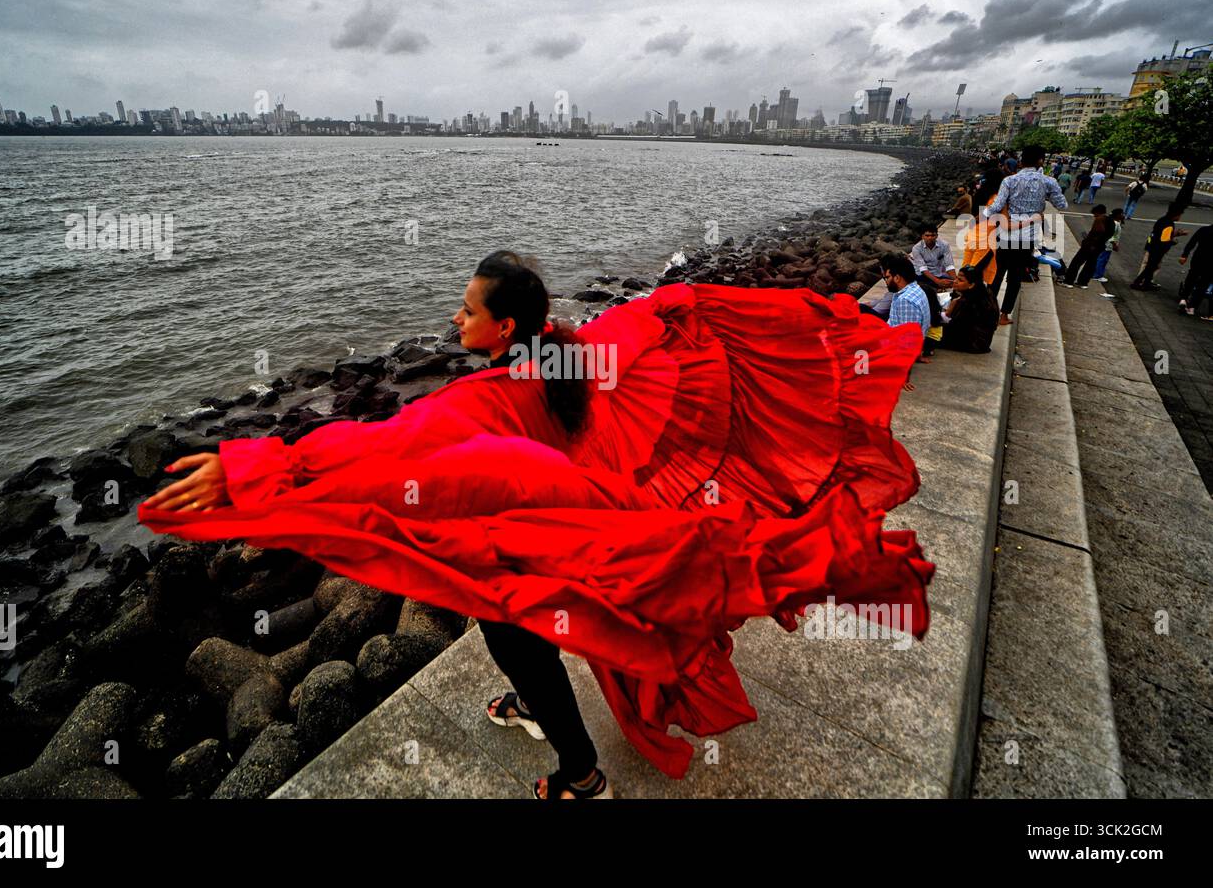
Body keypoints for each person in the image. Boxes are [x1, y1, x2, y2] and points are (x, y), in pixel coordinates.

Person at [138, 251, 934, 795]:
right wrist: (691, 303)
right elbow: (653, 320)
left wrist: (258, 469)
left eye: (466, 310)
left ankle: (581, 775)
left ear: (505, 328)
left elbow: (389, 444)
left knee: (515, 629)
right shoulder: (573, 355)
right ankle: (536, 711)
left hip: (542, 535)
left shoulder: (490, 395)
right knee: (530, 630)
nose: (455, 321)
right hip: (569, 519)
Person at [987, 144, 1069, 325]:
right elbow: (1062, 205)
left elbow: (995, 206)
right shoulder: (1048, 182)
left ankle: (988, 312)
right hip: (1027, 237)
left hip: (1006, 235)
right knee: (1015, 277)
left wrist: (983, 217)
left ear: (1021, 160)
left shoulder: (1009, 181)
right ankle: (1003, 315)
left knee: (998, 274)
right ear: (1041, 160)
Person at [939, 252, 999, 353]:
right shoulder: (983, 293)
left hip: (973, 344)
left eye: (960, 280)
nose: (955, 281)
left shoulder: (972, 302)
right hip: (980, 341)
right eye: (957, 278)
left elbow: (956, 328)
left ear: (971, 285)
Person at [1131, 206, 1189, 291]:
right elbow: (1164, 240)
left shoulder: (1162, 220)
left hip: (1151, 246)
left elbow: (1160, 234)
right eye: (1179, 215)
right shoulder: (1169, 224)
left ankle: (1145, 283)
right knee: (1150, 267)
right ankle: (1138, 283)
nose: (1180, 217)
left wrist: (1175, 235)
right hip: (1158, 250)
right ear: (1176, 215)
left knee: (1150, 267)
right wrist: (1173, 242)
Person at [1060, 204, 1110, 287]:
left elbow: (1098, 231)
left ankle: (1068, 281)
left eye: (1095, 214)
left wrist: (1089, 242)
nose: (1094, 216)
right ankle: (1083, 283)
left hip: (1090, 246)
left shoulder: (1100, 219)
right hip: (1099, 247)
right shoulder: (1110, 221)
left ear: (1098, 212)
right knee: (1090, 265)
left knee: (1076, 263)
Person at [1177, 223, 1213, 317]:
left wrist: (1184, 255)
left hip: (1198, 258)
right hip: (1211, 263)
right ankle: (1192, 307)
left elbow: (1191, 243)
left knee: (1191, 278)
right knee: (1203, 284)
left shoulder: (1203, 229)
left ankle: (1183, 299)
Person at [909, 226, 957, 291]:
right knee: (927, 287)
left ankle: (938, 286)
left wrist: (956, 281)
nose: (930, 238)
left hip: (939, 273)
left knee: (953, 282)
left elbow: (949, 265)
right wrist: (938, 281)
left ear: (937, 236)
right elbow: (923, 269)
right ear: (922, 236)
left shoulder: (944, 245)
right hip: (923, 275)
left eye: (933, 235)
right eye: (927, 235)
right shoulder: (916, 248)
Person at [1093, 208, 1125, 284]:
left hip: (1106, 244)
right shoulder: (1115, 224)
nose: (1123, 215)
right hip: (1108, 245)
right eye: (1122, 214)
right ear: (1117, 215)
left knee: (1101, 259)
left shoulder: (1114, 222)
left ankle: (1097, 273)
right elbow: (1112, 236)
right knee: (1102, 260)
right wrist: (1115, 245)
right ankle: (1097, 275)